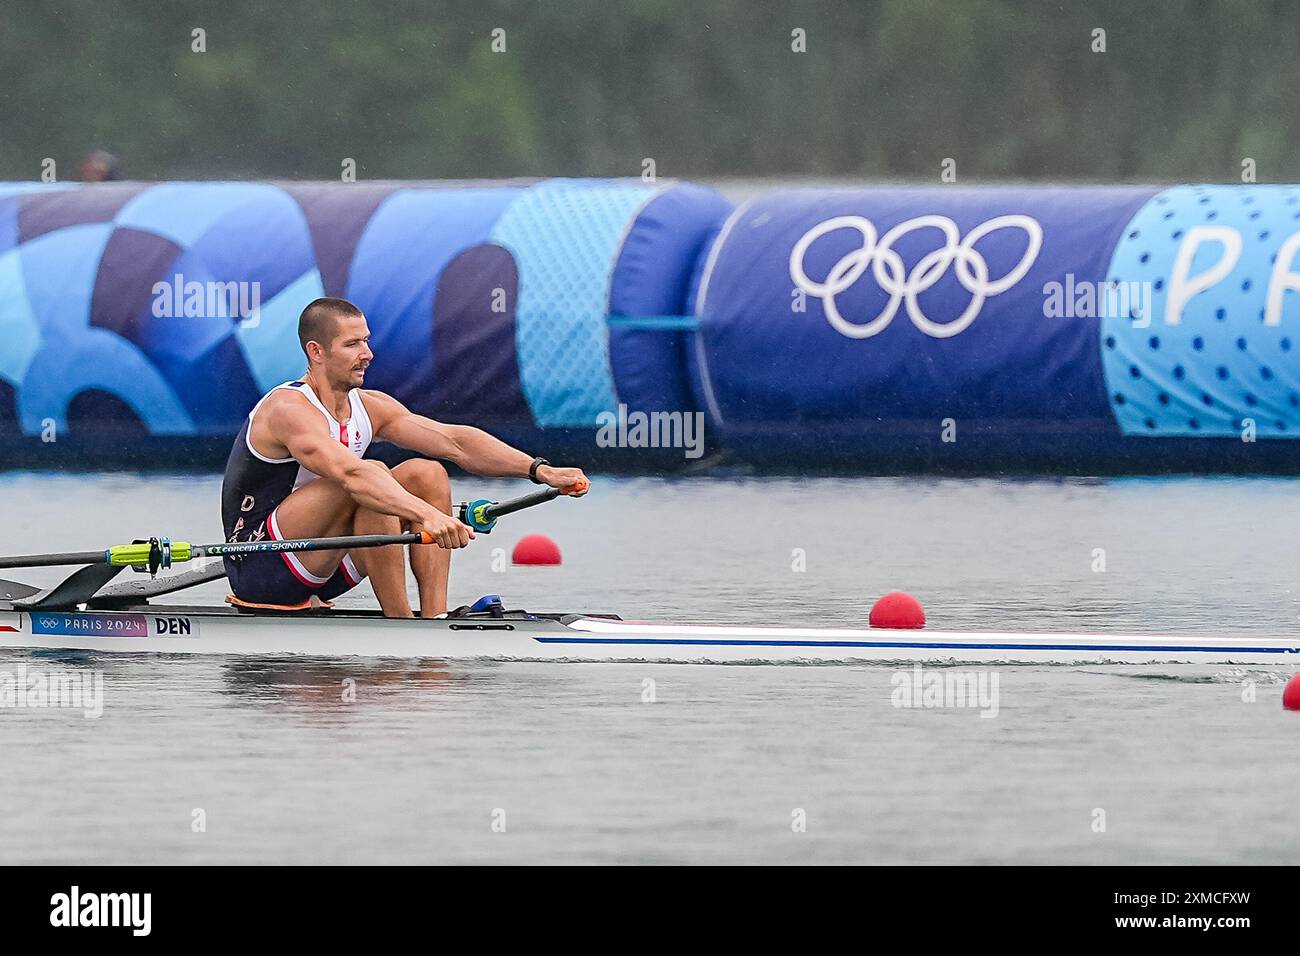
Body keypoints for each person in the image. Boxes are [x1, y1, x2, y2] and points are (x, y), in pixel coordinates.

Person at [220, 297, 588, 617]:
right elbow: (350, 475)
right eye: (352, 344)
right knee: (372, 474)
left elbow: (454, 441)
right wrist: (426, 515)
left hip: (325, 565)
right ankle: (400, 622)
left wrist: (540, 470)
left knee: (426, 472)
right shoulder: (288, 409)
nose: (368, 354)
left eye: (366, 341)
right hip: (261, 565)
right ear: (316, 352)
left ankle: (433, 617)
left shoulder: (370, 406)